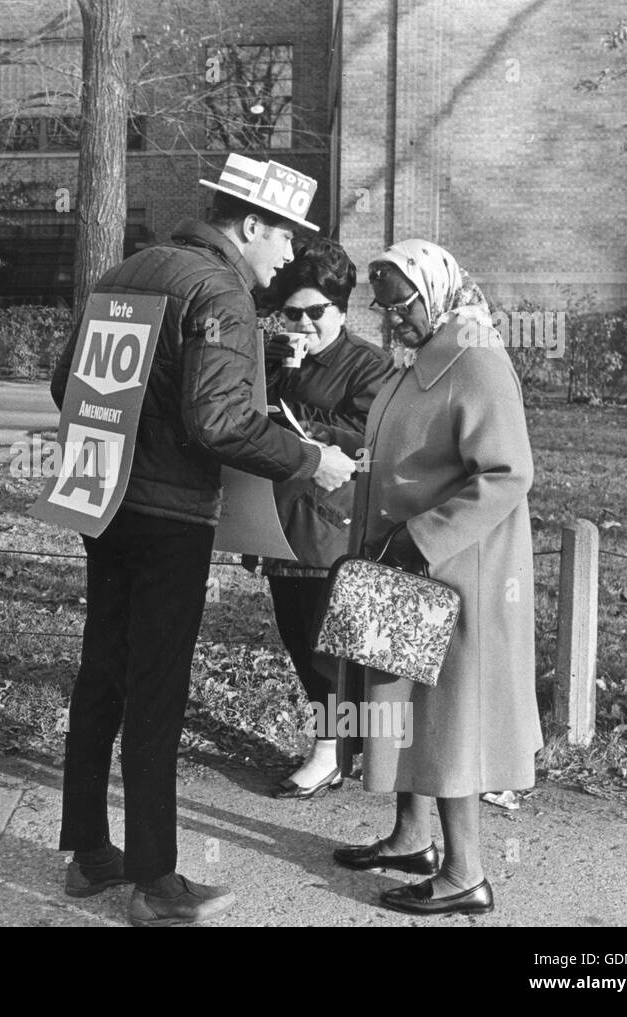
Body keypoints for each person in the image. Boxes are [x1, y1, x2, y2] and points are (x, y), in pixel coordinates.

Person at [51, 157, 357, 927]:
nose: (287, 257)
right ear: (250, 224)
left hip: (106, 501)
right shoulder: (219, 289)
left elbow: (68, 386)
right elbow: (217, 423)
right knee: (155, 691)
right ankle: (155, 881)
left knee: (103, 674)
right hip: (171, 516)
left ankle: (90, 853)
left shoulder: (124, 272)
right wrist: (310, 457)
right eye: (284, 237)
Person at [332, 239, 542, 916]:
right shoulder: (415, 358)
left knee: (452, 721)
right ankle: (411, 838)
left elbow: (509, 472)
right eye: (383, 302)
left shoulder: (475, 356)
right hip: (405, 567)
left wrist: (421, 538)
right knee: (402, 706)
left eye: (402, 301)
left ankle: (465, 875)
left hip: (456, 572)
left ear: (437, 288)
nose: (390, 315)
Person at [251, 238, 394, 799]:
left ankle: (331, 750)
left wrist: (296, 423)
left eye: (317, 313)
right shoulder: (274, 357)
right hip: (279, 518)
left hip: (334, 526)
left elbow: (368, 442)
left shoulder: (367, 365)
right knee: (294, 634)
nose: (304, 324)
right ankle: (336, 746)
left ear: (341, 310)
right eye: (292, 312)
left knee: (325, 646)